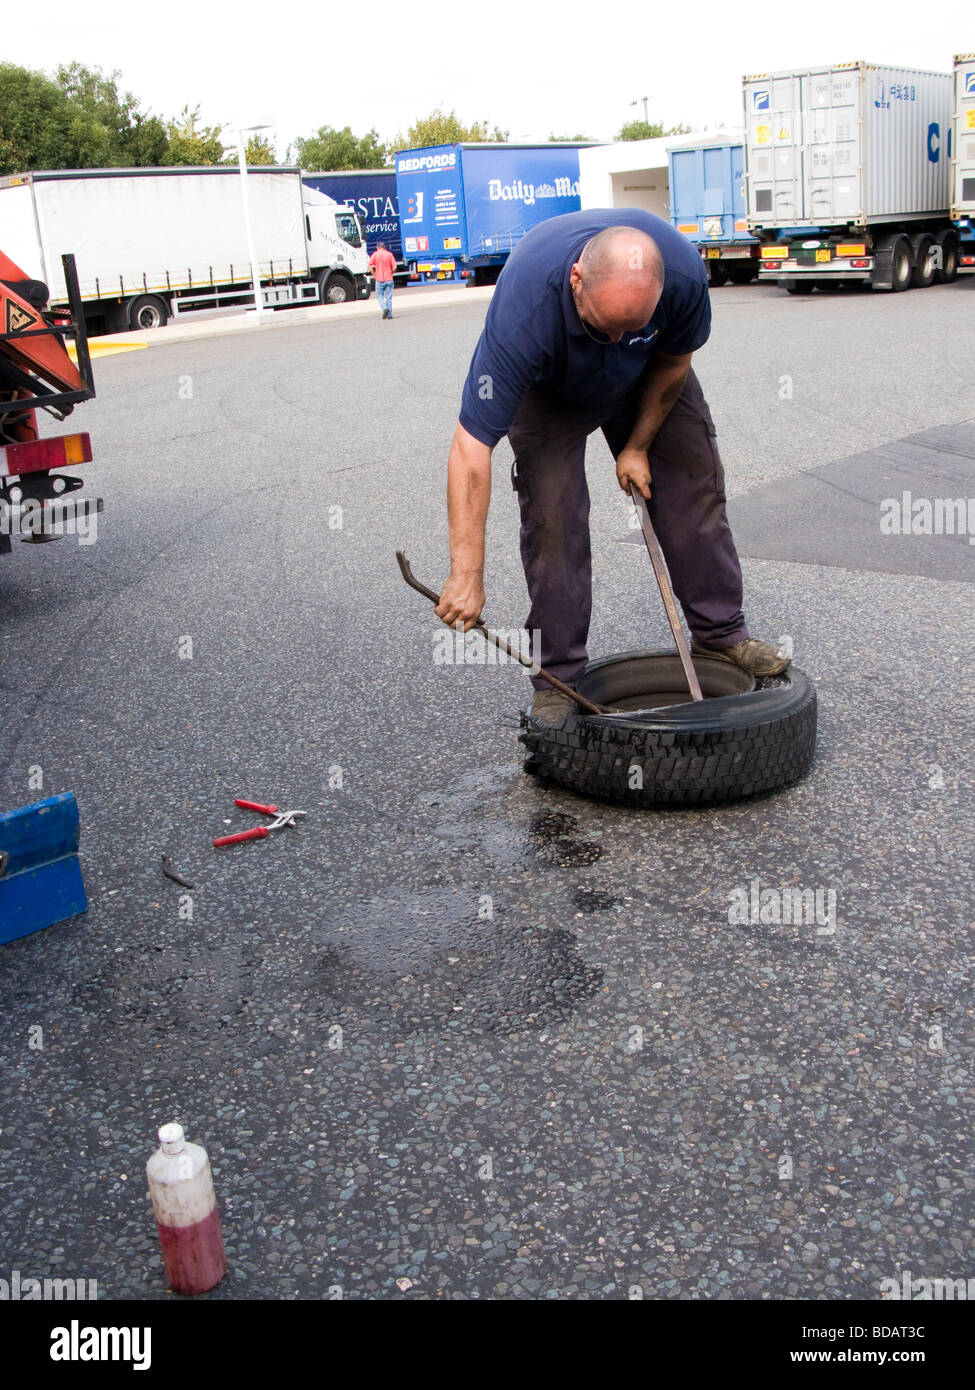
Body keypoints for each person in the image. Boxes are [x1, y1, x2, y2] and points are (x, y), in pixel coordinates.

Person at [433, 208, 790, 723]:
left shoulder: (684, 278)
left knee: (694, 486)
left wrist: (638, 445)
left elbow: (672, 361)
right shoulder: (524, 311)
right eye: (605, 327)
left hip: (648, 379)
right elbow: (470, 447)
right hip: (551, 391)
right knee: (554, 519)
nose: (618, 341)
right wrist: (466, 574)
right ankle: (558, 678)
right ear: (576, 281)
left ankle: (720, 636)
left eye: (633, 327)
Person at [368, 241, 397, 319]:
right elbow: (394, 267)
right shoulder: (389, 254)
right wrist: (392, 273)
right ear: (384, 247)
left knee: (379, 295)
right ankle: (390, 315)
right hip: (389, 278)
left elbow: (369, 266)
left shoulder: (375, 255)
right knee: (388, 297)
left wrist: (374, 274)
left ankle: (384, 308)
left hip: (379, 279)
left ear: (377, 248)